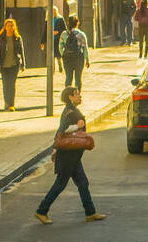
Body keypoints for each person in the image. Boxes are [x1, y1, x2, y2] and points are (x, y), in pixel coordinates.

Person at [34, 85, 105, 225]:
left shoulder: (72, 110)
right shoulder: (70, 112)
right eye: (77, 94)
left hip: (73, 157)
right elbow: (63, 130)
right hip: (67, 157)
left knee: (83, 183)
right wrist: (77, 126)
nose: (80, 96)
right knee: (60, 184)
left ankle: (90, 212)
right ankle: (42, 211)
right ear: (70, 97)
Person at [0, 18, 26, 112]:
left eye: (12, 26)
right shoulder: (1, 38)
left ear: (14, 27)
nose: (10, 27)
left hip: (14, 64)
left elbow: (21, 51)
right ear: (5, 27)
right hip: (4, 65)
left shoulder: (17, 38)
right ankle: (6, 103)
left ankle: (11, 104)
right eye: (8, 26)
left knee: (12, 84)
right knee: (5, 84)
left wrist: (23, 64)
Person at [60, 15, 88, 91]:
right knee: (78, 78)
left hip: (67, 59)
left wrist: (64, 54)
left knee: (68, 78)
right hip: (79, 58)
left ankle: (67, 95)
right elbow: (85, 48)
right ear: (77, 23)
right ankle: (77, 95)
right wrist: (87, 60)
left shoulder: (64, 34)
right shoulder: (81, 34)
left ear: (68, 23)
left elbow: (60, 47)